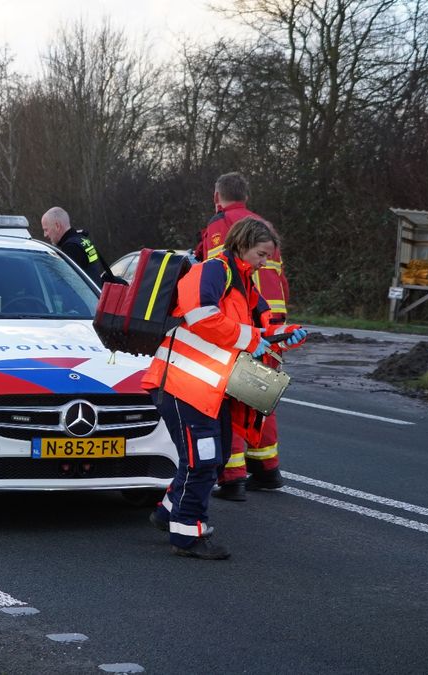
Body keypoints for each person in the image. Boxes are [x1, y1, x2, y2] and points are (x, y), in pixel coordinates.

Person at [143, 218, 307, 559]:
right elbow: (202, 316)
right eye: (262, 254)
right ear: (243, 243)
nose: (265, 262)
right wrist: (253, 339)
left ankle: (168, 513)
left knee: (213, 463)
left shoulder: (244, 280)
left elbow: (265, 319)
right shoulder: (213, 272)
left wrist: (283, 333)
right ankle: (188, 535)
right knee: (202, 461)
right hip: (180, 383)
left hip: (205, 388)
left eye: (268, 257)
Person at [196, 172, 291, 501]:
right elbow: (281, 280)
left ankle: (233, 477)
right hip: (270, 322)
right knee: (260, 394)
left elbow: (212, 279)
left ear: (216, 195)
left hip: (239, 324)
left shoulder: (222, 226)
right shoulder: (265, 226)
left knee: (230, 398)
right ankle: (267, 469)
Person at [40, 206, 125, 286]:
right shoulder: (82, 240)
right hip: (95, 293)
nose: (45, 235)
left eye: (46, 230)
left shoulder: (71, 248)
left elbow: (69, 285)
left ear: (57, 226)